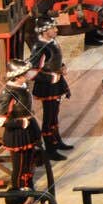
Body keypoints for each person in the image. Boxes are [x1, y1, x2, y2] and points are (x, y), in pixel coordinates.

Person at [0, 57, 42, 204]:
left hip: (28, 130)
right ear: (16, 76)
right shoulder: (8, 93)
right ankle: (18, 195)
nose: (27, 76)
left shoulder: (22, 85)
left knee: (28, 163)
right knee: (19, 167)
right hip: (18, 134)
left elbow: (35, 73)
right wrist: (19, 123)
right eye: (24, 74)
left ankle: (28, 187)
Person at [26, 16, 72, 162]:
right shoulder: (40, 48)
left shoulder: (51, 41)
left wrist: (62, 66)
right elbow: (31, 71)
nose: (56, 30)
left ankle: (57, 141)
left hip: (56, 83)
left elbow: (54, 59)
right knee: (49, 118)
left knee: (54, 115)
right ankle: (51, 150)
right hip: (48, 87)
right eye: (53, 28)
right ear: (45, 31)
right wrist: (51, 78)